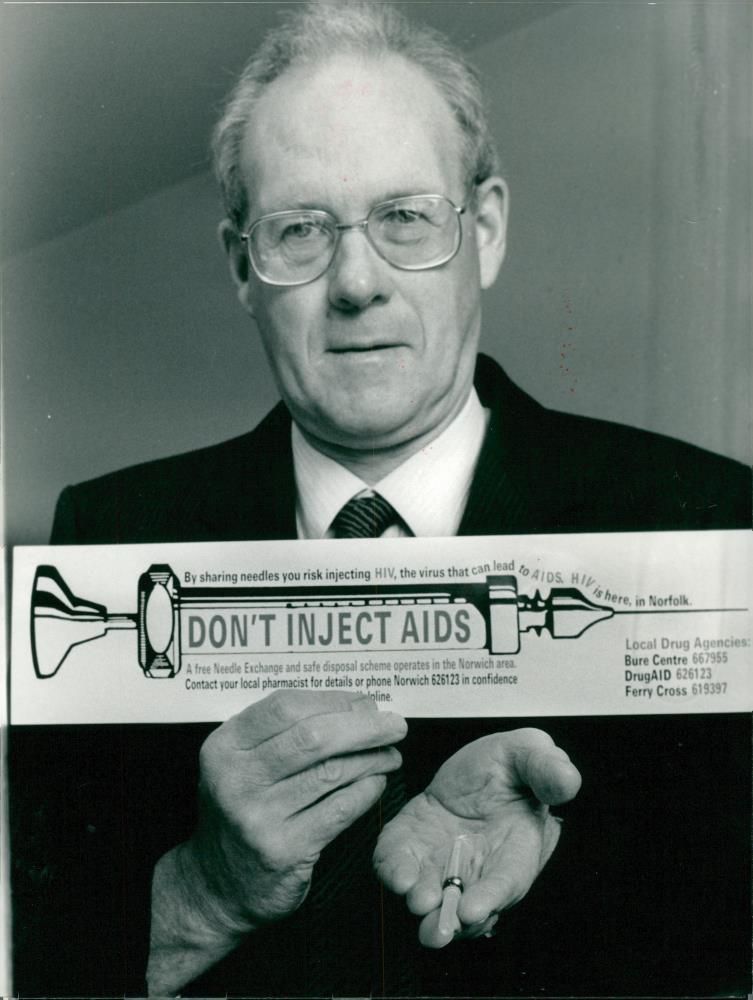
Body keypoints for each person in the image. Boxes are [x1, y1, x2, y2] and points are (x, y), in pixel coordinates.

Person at [15, 2, 750, 997]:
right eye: (301, 231)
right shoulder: (107, 538)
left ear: (483, 232)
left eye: (405, 218)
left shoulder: (706, 521)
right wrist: (206, 890)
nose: (356, 281)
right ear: (242, 265)